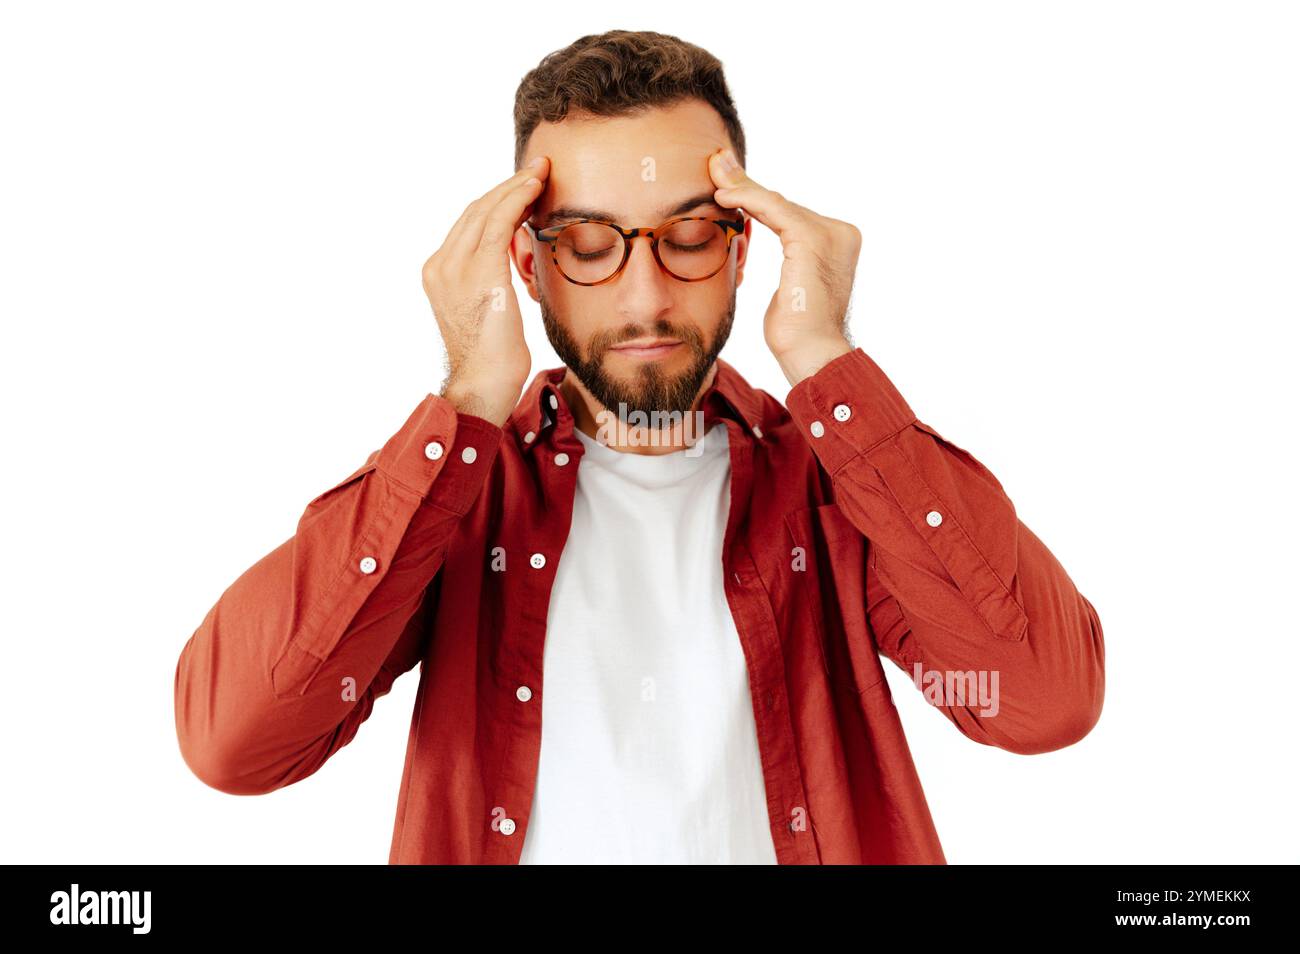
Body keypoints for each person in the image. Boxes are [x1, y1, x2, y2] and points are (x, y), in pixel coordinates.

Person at [174, 29, 1104, 864]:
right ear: (528, 265)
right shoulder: (457, 499)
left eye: (690, 235)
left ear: (743, 249)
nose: (644, 295)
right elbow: (235, 744)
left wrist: (827, 355)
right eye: (588, 244)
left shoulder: (840, 489)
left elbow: (1042, 700)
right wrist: (464, 396)